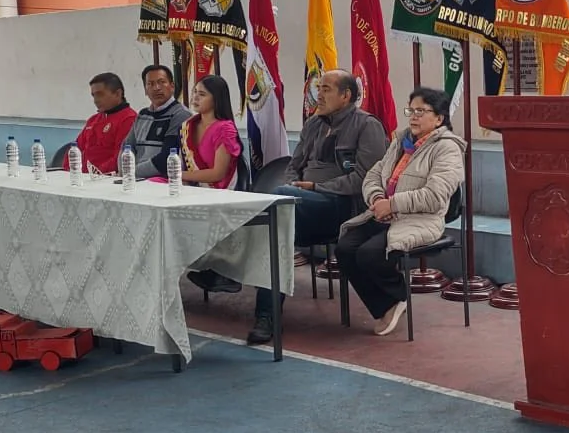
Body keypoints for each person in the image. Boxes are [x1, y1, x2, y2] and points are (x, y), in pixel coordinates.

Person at [243, 69, 389, 345]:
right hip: (300, 207)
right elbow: (293, 167)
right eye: (318, 88)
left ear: (346, 95)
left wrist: (316, 189)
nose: (317, 94)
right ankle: (267, 316)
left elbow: (365, 180)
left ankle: (230, 275)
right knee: (278, 229)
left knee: (279, 205)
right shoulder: (313, 124)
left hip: (343, 208)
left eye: (326, 89)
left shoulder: (366, 125)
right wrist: (295, 188)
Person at [336, 87, 465, 336]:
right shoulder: (401, 142)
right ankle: (387, 303)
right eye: (411, 110)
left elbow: (435, 196)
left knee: (369, 254)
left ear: (439, 118)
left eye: (421, 111)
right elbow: (374, 174)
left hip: (421, 219)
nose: (413, 116)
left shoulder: (448, 149)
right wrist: (376, 197)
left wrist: (392, 204)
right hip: (385, 213)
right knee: (345, 248)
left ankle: (396, 295)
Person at [175, 75, 243, 190]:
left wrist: (177, 175)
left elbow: (218, 174)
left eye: (202, 94)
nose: (195, 97)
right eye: (195, 92)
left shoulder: (225, 129)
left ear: (216, 99)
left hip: (218, 193)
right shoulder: (188, 125)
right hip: (191, 189)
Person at [124, 64, 192, 178]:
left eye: (161, 82)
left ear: (172, 86)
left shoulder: (180, 114)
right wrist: (124, 172)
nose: (156, 88)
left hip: (163, 181)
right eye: (150, 84)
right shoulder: (142, 114)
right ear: (145, 90)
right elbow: (127, 148)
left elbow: (167, 158)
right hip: (136, 178)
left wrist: (131, 173)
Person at [66, 72, 137, 175]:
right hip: (81, 178)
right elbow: (74, 149)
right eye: (93, 95)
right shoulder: (93, 120)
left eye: (100, 94)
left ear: (118, 94)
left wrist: (94, 174)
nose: (95, 100)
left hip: (104, 180)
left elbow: (120, 158)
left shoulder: (129, 119)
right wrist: (68, 171)